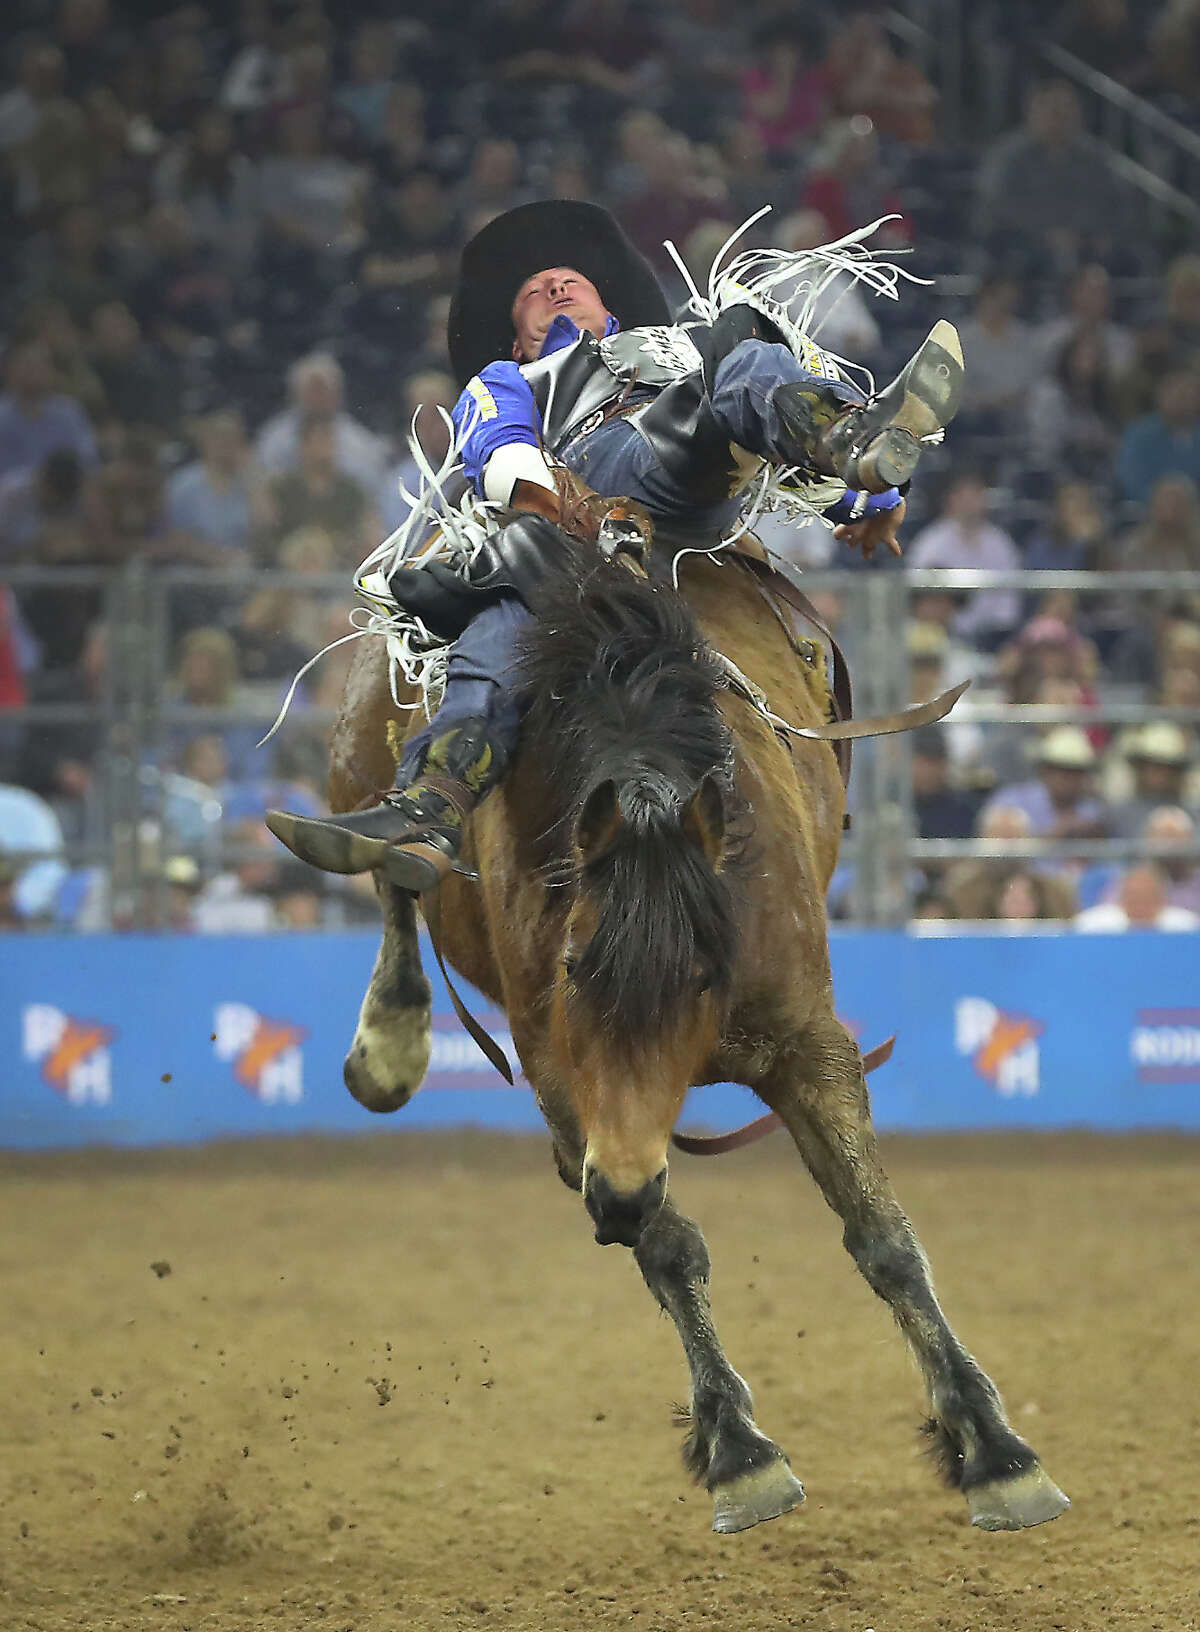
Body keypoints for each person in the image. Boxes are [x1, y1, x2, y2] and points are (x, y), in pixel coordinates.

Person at [267, 199, 965, 890]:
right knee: (512, 592)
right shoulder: (508, 380)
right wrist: (576, 506)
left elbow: (752, 428)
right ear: (517, 341)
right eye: (533, 292)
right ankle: (434, 804)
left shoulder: (684, 349)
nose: (552, 285)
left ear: (612, 307)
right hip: (587, 481)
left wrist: (871, 498)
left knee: (742, 340)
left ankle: (847, 438)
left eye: (567, 279)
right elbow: (504, 458)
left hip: (689, 464)